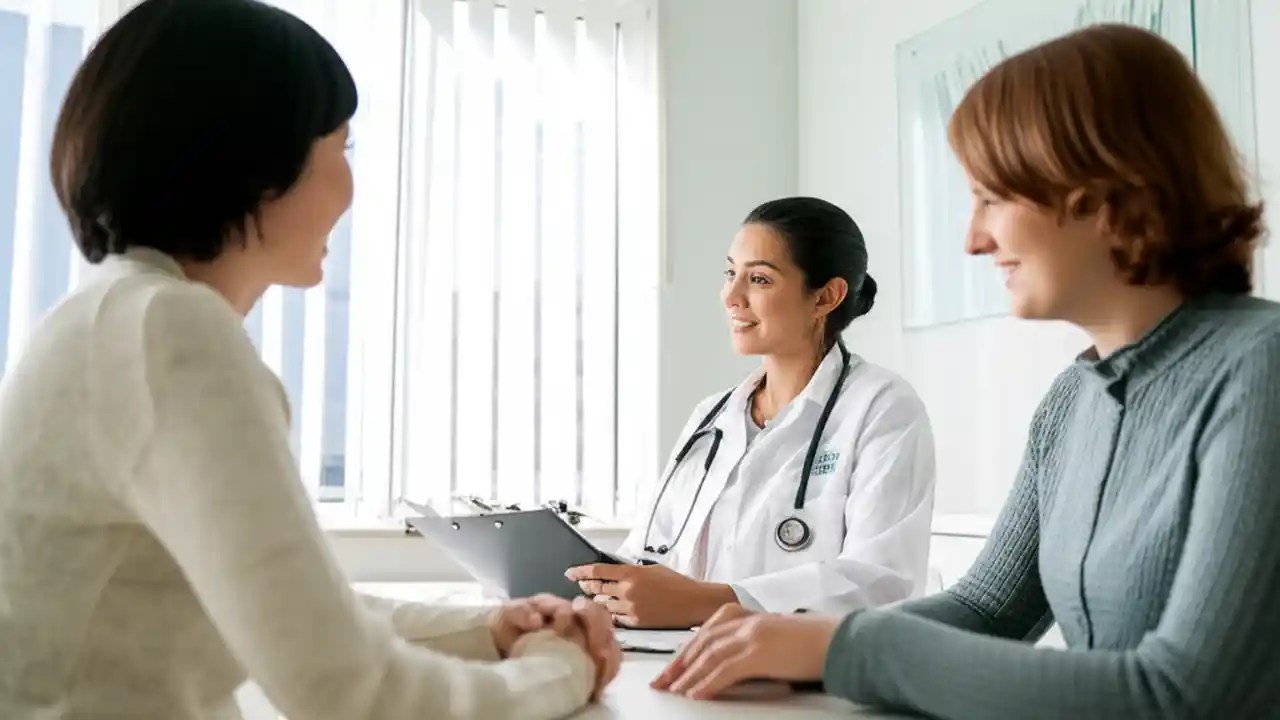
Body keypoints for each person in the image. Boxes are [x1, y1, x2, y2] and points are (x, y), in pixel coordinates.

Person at [0, 1, 620, 718]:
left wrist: (486, 630)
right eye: (344, 147)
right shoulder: (167, 332)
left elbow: (278, 604)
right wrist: (562, 669)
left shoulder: (108, 316)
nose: (351, 189)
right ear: (260, 159)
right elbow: (353, 695)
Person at [651, 23, 1280, 717]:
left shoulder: (1261, 370)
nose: (974, 239)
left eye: (993, 198)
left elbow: (1182, 697)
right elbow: (987, 607)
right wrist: (774, 633)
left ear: (1102, 189)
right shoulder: (1074, 400)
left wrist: (835, 650)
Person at [567, 197, 937, 628]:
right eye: (730, 273)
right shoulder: (712, 417)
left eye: (759, 279)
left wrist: (712, 602)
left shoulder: (881, 408)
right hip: (674, 661)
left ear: (826, 297)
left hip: (798, 683)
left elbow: (880, 582)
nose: (731, 296)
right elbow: (648, 552)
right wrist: (596, 590)